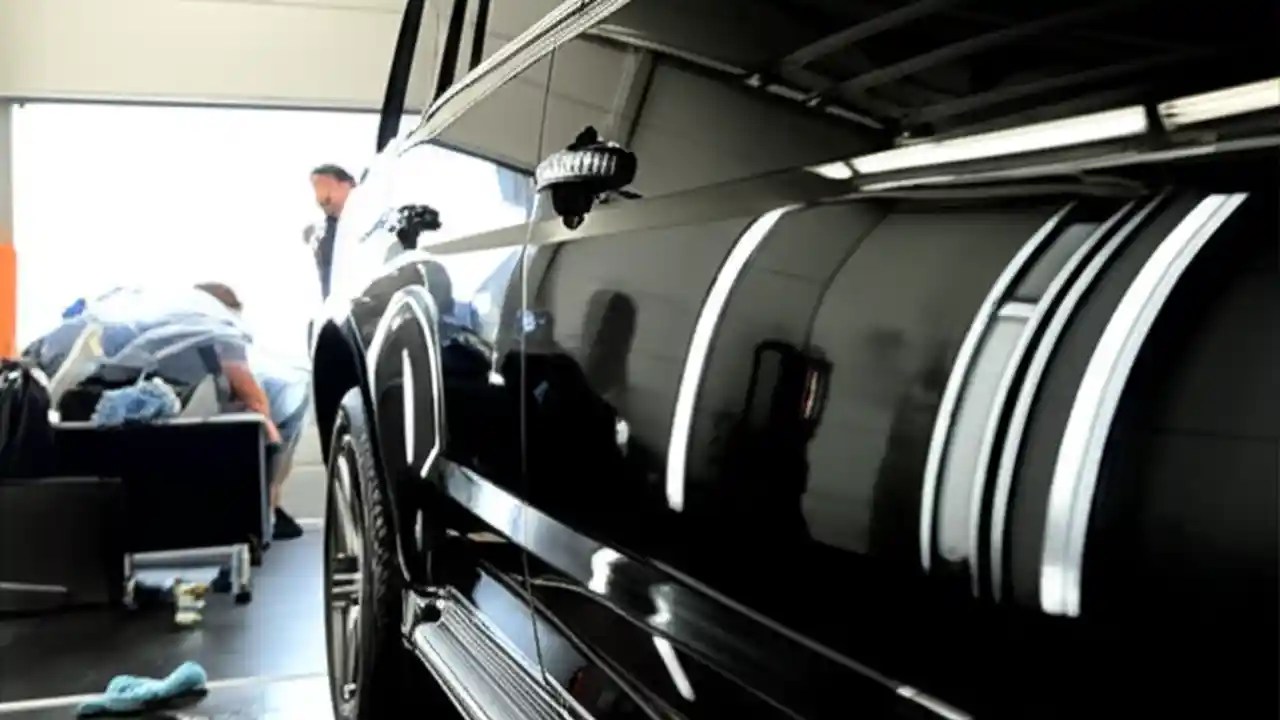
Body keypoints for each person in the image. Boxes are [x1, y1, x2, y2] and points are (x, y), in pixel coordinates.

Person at [194, 282, 307, 541]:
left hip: (214, 407)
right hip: (243, 410)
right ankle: (268, 509)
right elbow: (250, 394)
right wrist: (269, 431)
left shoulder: (173, 332)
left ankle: (269, 506)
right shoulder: (225, 335)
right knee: (279, 438)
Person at [305, 164, 357, 301]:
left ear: (348, 185)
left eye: (327, 189)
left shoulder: (374, 214)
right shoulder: (325, 240)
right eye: (317, 192)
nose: (321, 200)